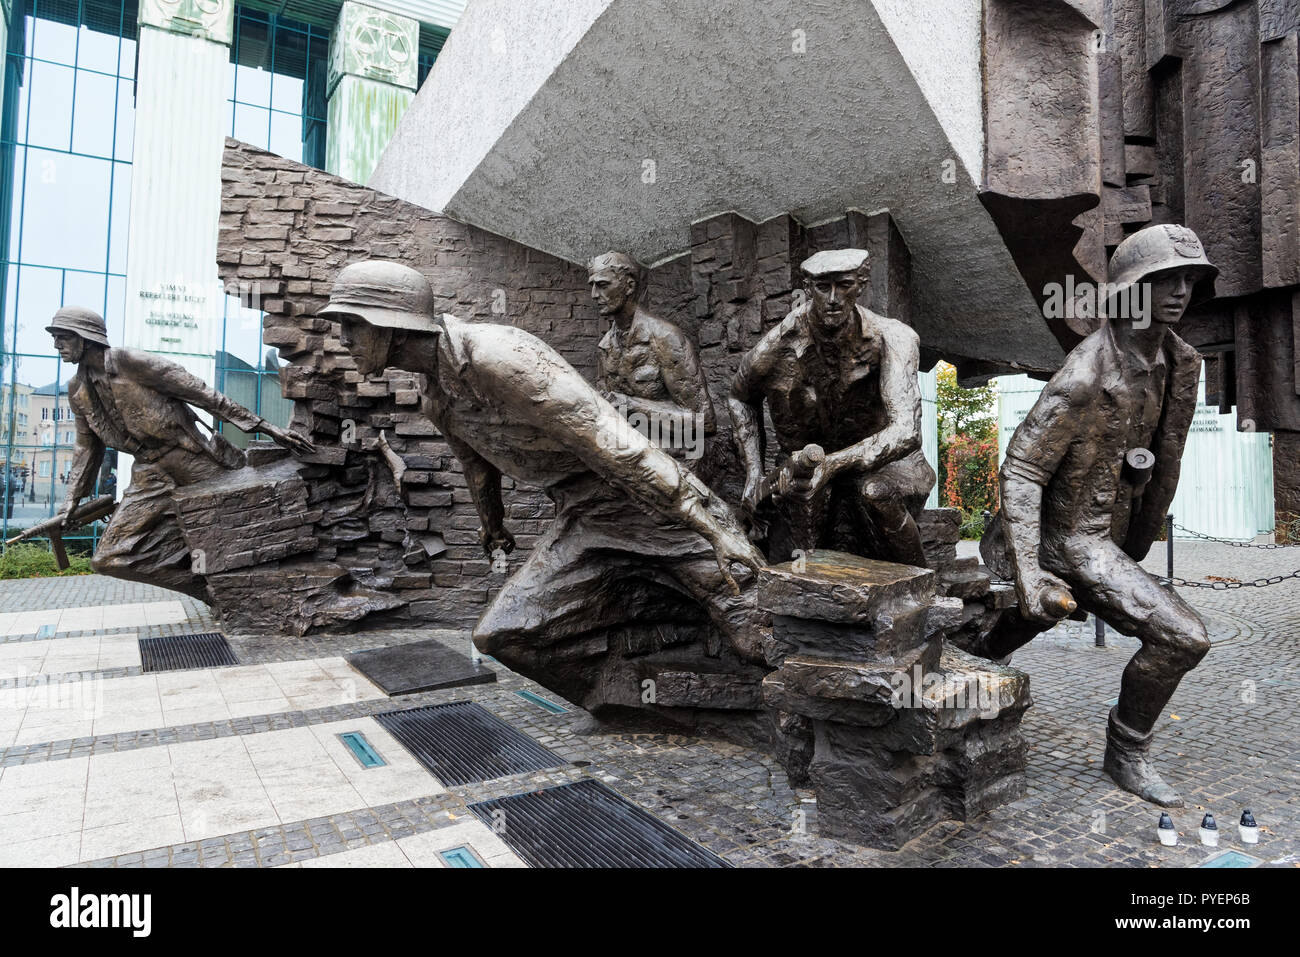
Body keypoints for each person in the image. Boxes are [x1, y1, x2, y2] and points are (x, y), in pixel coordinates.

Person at [320, 260, 768, 665]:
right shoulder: (434, 395)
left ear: (388, 326)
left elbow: (619, 446)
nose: (343, 341)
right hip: (581, 513)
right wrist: (493, 527)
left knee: (754, 628)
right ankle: (646, 650)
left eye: (350, 326)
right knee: (500, 636)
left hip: (646, 505)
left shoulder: (498, 356)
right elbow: (475, 464)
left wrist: (718, 527)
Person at [977, 224, 1218, 806]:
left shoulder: (1179, 362)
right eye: (1165, 279)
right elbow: (1024, 469)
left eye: (1189, 279)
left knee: (995, 639)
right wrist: (1031, 571)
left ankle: (971, 665)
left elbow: (1162, 453)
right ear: (1131, 289)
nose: (1181, 290)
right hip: (1069, 542)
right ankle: (1127, 751)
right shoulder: (1085, 373)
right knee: (1184, 638)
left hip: (1112, 539)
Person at [48, 306, 313, 601]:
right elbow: (86, 448)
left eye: (63, 337)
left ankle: (259, 586)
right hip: (148, 473)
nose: (57, 345)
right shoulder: (77, 390)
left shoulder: (133, 363)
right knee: (108, 558)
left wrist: (265, 427)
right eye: (56, 338)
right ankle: (212, 593)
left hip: (192, 462)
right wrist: (71, 501)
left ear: (85, 338)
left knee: (236, 526)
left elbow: (202, 394)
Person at [728, 248, 935, 564]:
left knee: (875, 492)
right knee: (800, 518)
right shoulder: (780, 341)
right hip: (807, 462)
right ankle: (797, 592)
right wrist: (754, 471)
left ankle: (919, 581)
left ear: (861, 284)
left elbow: (906, 431)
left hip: (885, 464)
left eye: (845, 285)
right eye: (823, 288)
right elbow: (740, 397)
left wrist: (835, 464)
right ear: (808, 289)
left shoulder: (894, 337)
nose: (834, 298)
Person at [588, 251, 715, 464]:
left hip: (676, 459)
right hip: (628, 457)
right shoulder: (605, 346)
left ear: (629, 286)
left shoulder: (665, 338)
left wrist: (629, 405)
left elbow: (704, 422)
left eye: (602, 285)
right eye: (591, 285)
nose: (593, 294)